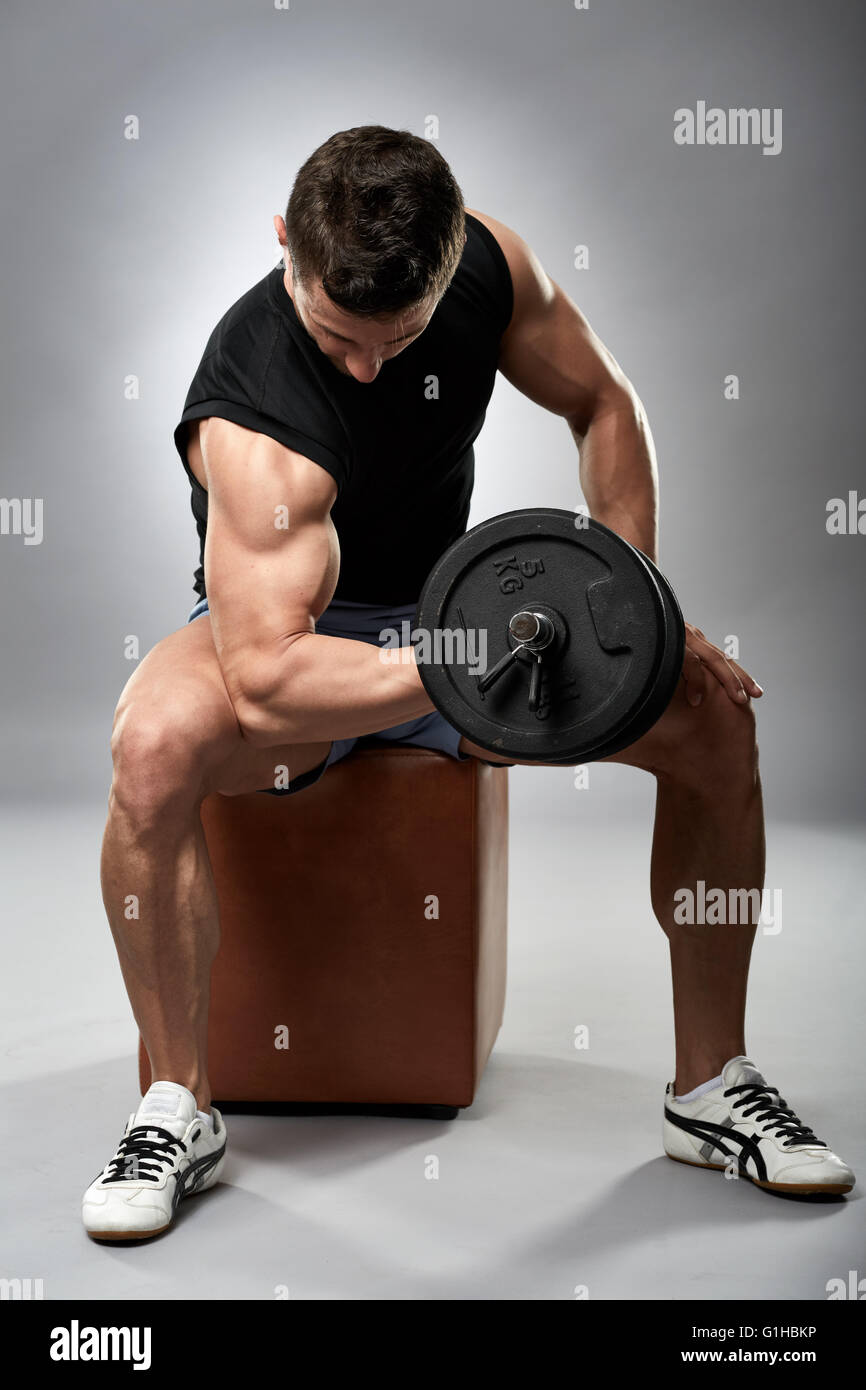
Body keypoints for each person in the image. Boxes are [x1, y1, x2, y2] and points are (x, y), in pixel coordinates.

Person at [82, 125, 854, 1242]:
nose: (362, 368)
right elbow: (265, 682)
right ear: (283, 247)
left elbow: (603, 404)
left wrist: (627, 604)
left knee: (709, 724)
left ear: (444, 276)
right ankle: (176, 1103)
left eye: (390, 340)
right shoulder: (251, 418)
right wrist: (465, 671)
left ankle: (709, 1086)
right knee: (151, 748)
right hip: (294, 641)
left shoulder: (488, 264)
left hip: (455, 619)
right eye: (335, 334)